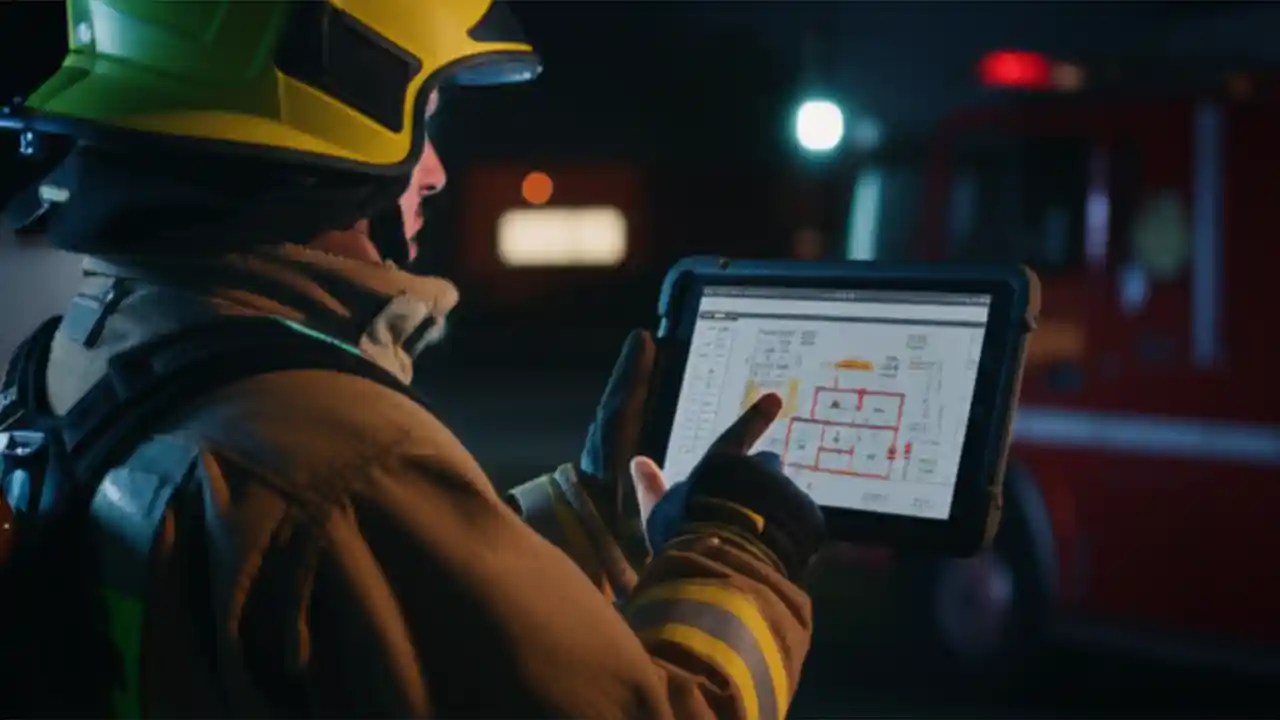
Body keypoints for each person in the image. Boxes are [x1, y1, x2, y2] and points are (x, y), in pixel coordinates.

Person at [0, 1, 826, 717]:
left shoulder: (79, 362)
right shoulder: (343, 457)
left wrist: (588, 515)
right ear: (330, 124)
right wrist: (736, 549)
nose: (433, 173)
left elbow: (336, 609)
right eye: (423, 120)